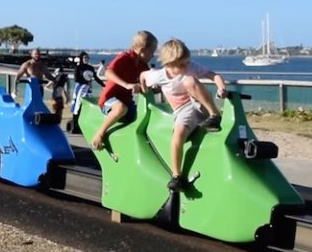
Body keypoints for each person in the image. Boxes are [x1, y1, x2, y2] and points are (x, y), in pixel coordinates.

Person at [140, 38, 227, 192]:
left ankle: (214, 115)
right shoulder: (158, 76)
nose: (185, 66)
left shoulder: (190, 69)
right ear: (167, 64)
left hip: (199, 104)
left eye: (186, 62)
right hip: (183, 111)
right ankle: (176, 176)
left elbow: (214, 75)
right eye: (181, 65)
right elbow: (143, 76)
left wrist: (221, 88)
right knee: (178, 134)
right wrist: (145, 89)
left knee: (189, 81)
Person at [90, 30, 158, 151]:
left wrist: (155, 88)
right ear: (142, 50)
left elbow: (147, 82)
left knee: (143, 116)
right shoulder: (124, 58)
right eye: (152, 52)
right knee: (120, 108)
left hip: (127, 101)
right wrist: (127, 85)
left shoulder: (143, 66)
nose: (153, 55)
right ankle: (99, 134)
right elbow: (108, 72)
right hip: (109, 99)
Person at [70, 51, 105, 121]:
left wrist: (104, 85)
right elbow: (76, 79)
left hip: (87, 89)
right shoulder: (78, 67)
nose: (86, 59)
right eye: (84, 57)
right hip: (79, 88)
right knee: (77, 104)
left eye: (87, 57)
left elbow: (96, 78)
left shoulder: (90, 68)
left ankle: (83, 119)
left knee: (86, 104)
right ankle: (75, 120)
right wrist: (86, 82)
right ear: (81, 58)